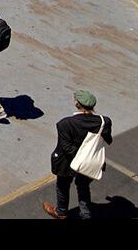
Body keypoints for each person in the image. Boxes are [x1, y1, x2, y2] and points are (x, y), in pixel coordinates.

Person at [43, 90, 113, 219]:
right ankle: (85, 214)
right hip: (90, 161)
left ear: (76, 103)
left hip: (67, 163)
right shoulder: (104, 122)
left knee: (63, 186)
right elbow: (108, 140)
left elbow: (67, 148)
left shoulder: (65, 123)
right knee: (83, 186)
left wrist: (80, 156)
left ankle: (61, 212)